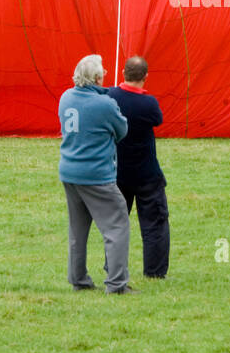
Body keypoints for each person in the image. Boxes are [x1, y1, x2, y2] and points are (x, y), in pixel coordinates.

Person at [58, 54, 134, 294]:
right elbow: (122, 130)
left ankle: (78, 279)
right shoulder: (105, 104)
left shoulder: (66, 97)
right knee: (117, 226)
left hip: (70, 171)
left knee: (77, 230)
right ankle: (117, 283)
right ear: (98, 77)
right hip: (97, 174)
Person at [107, 56, 170, 279]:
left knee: (115, 224)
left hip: (117, 172)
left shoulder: (110, 96)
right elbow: (157, 119)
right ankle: (154, 272)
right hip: (146, 174)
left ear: (123, 73)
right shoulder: (148, 103)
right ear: (145, 77)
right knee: (154, 224)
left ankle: (112, 267)